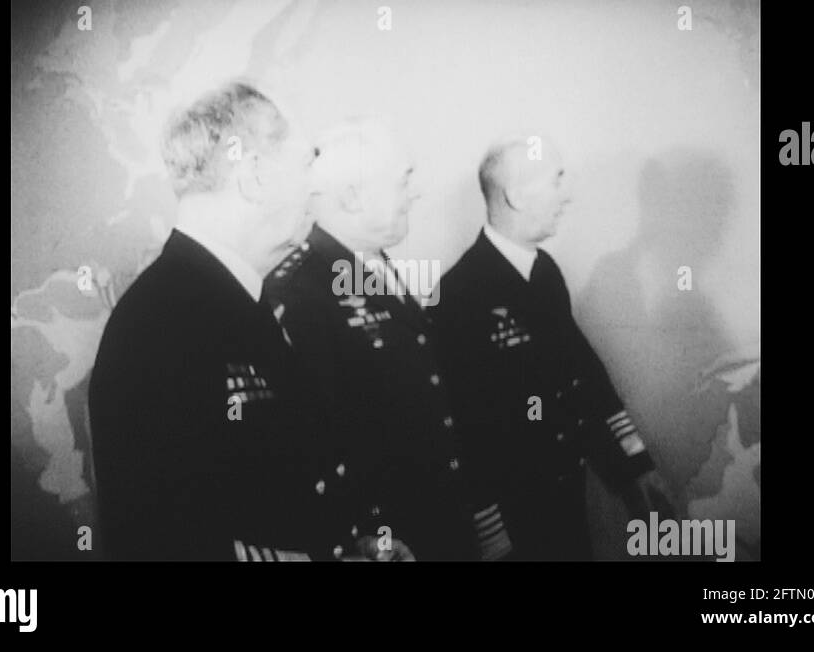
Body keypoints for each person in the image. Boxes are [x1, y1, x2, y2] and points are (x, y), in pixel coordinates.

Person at [88, 80, 325, 561]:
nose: (316, 186)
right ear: (254, 175)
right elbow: (165, 538)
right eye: (307, 165)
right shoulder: (157, 324)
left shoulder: (233, 296)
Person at [429, 136, 676, 561]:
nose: (568, 195)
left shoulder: (543, 272)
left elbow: (582, 377)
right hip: (512, 521)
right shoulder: (458, 294)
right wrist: (490, 535)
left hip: (565, 495)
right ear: (516, 196)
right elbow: (459, 429)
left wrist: (635, 466)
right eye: (556, 180)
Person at [264, 118, 476, 561]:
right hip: (386, 541)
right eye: (404, 180)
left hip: (441, 523)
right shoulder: (298, 291)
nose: (415, 192)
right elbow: (316, 442)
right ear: (352, 197)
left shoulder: (377, 264)